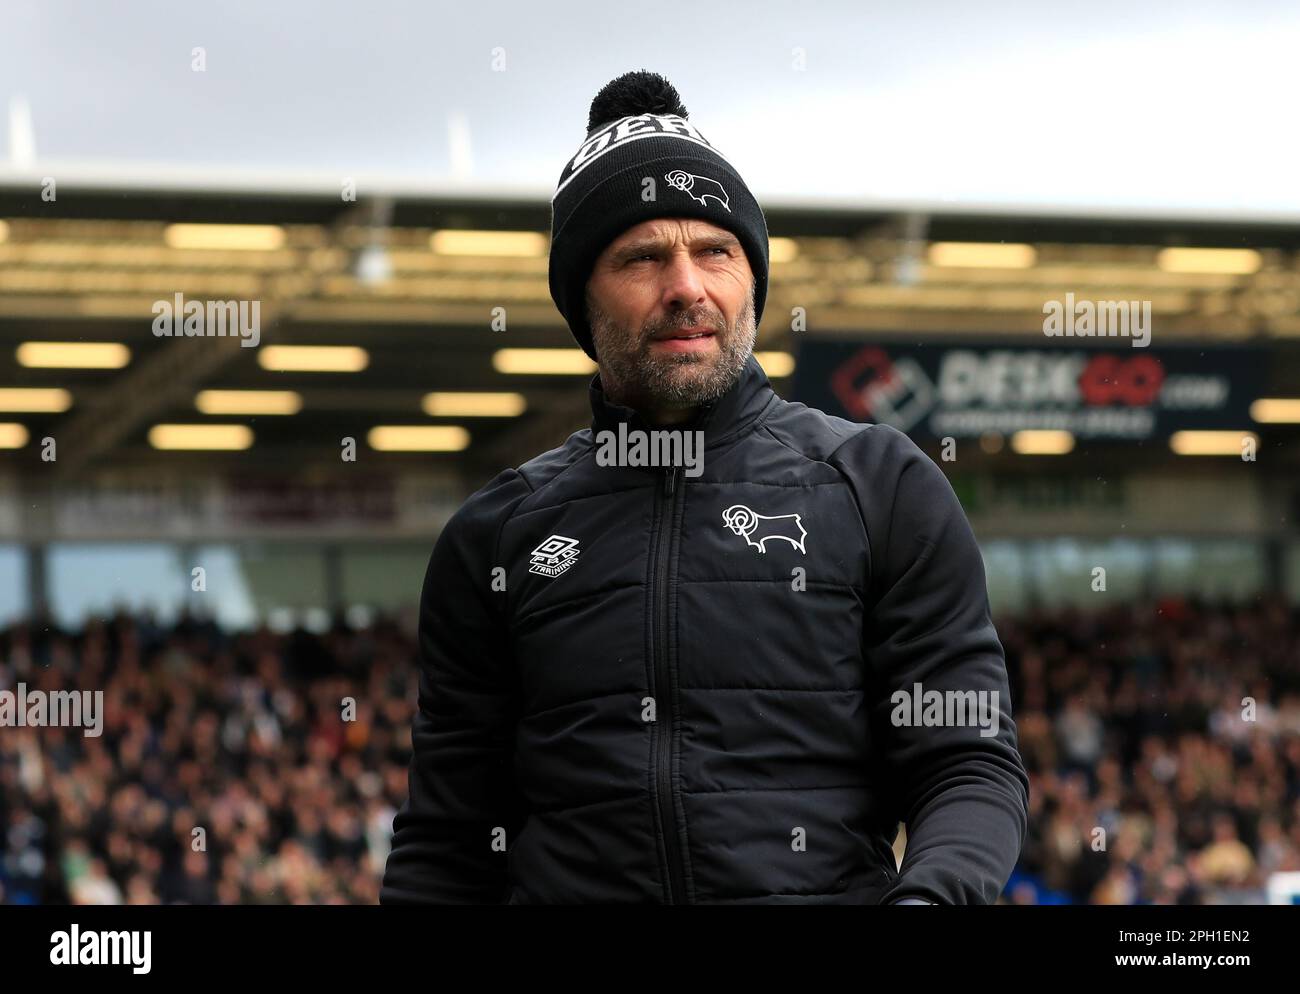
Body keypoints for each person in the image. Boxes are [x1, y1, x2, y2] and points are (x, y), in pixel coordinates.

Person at [381, 70, 1029, 904]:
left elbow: (967, 762)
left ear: (751, 279)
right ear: (583, 299)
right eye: (644, 256)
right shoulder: (497, 536)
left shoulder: (880, 487)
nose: (687, 285)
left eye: (715, 251)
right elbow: (447, 843)